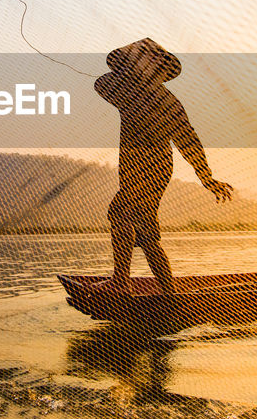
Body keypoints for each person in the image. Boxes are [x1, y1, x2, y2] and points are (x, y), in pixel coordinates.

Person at [92, 39, 233, 295]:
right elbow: (100, 84)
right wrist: (129, 71)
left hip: (153, 168)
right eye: (136, 61)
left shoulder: (164, 100)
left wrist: (206, 177)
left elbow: (188, 140)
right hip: (134, 168)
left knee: (119, 213)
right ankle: (168, 291)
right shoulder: (130, 92)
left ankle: (122, 283)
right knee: (144, 231)